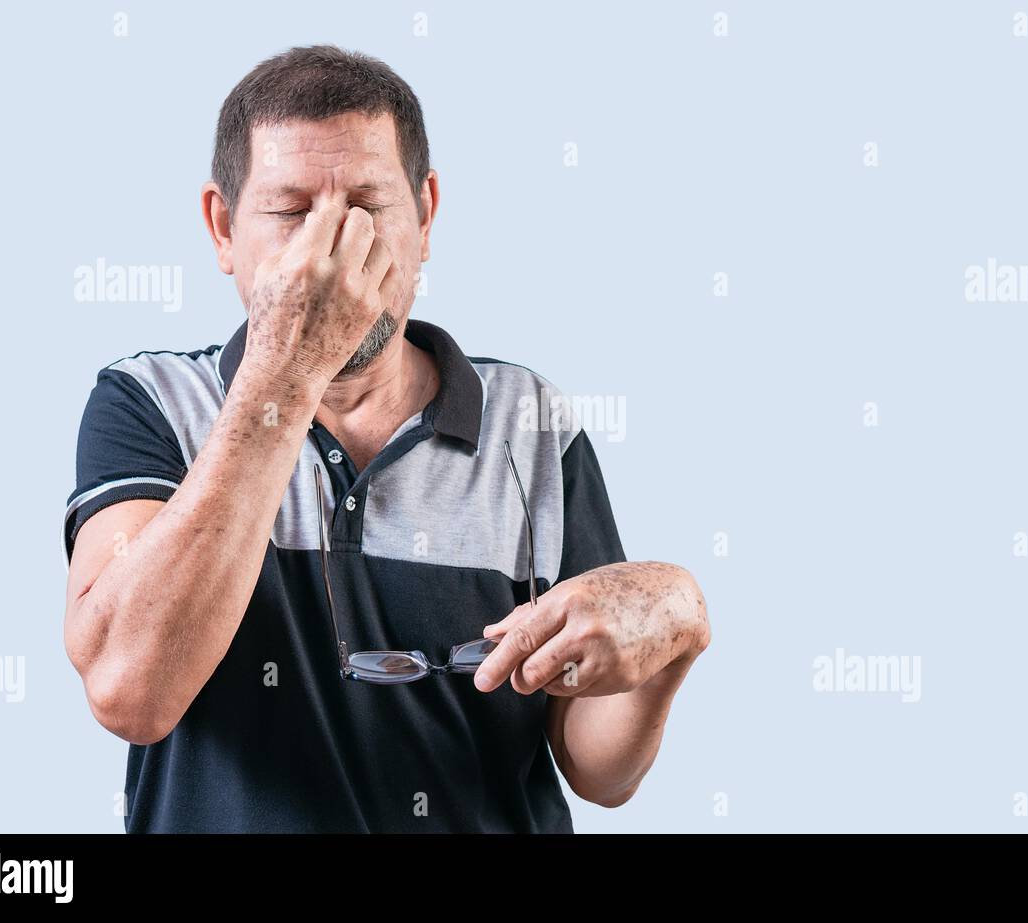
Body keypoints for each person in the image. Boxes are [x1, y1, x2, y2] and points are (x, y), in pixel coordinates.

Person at [62, 45, 709, 833]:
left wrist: (673, 634)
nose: (337, 248)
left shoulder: (530, 421)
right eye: (292, 211)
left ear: (426, 215)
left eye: (368, 204)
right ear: (223, 227)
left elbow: (597, 770)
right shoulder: (152, 403)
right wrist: (287, 370)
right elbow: (132, 691)